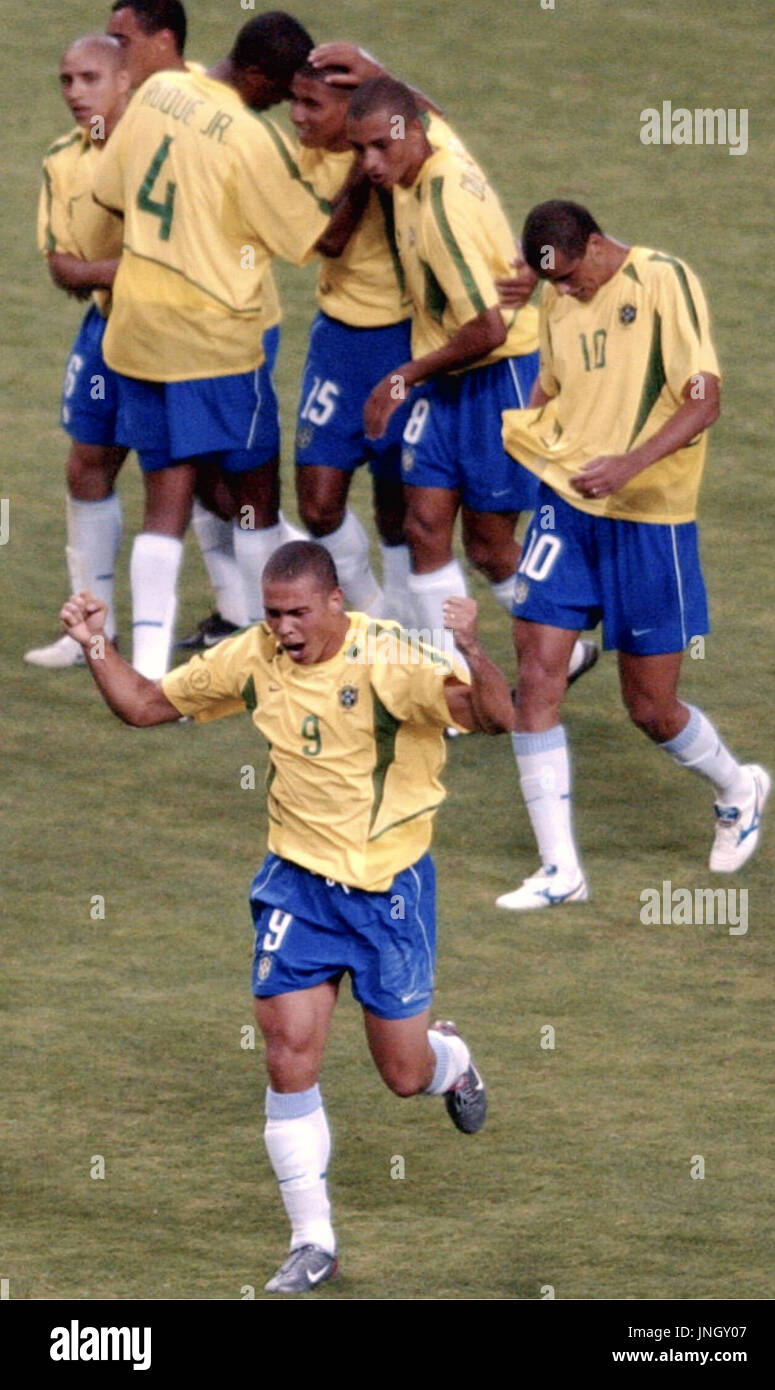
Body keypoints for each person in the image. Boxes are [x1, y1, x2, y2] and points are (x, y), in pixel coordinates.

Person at [59, 540, 514, 1293]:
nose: (284, 629)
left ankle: (451, 1062)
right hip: (296, 889)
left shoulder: (389, 663)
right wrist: (96, 644)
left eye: (297, 612)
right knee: (285, 1054)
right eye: (272, 614)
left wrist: (472, 649)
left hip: (385, 895)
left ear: (336, 602)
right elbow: (144, 706)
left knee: (402, 1075)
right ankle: (313, 1242)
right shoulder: (254, 656)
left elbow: (496, 718)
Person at [495, 200, 770, 909]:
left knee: (649, 708)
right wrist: (537, 440)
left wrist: (627, 465)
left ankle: (738, 789)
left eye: (571, 277)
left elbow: (702, 401)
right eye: (550, 282)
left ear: (593, 244)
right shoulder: (558, 298)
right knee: (535, 675)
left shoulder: (661, 281)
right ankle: (561, 869)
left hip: (650, 518)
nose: (566, 293)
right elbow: (550, 386)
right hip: (568, 510)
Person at [89, 13, 367, 679]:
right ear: (254, 76)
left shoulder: (157, 90)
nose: (285, 107)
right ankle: (263, 640)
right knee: (254, 497)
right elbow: (321, 240)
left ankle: (151, 678)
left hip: (136, 331)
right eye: (280, 90)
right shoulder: (248, 137)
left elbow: (109, 192)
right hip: (213, 342)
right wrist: (362, 164)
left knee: (164, 501)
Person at [345, 78, 596, 685]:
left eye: (379, 146)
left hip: (498, 377)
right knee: (424, 525)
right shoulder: (426, 149)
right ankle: (449, 682)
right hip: (450, 378)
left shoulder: (441, 210)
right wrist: (368, 64)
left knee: (488, 545)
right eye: (359, 150)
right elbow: (431, 106)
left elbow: (485, 329)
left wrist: (401, 378)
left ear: (409, 135)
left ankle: (567, 640)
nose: (369, 164)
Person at [288, 53, 474, 627]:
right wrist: (365, 168)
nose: (296, 116)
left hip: (402, 342)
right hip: (337, 343)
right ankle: (374, 606)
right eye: (293, 100)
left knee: (400, 511)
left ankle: (410, 636)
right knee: (317, 504)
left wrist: (378, 73)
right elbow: (332, 238)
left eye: (311, 104)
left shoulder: (406, 155)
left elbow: (432, 122)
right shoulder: (304, 161)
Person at [25, 36, 131, 670]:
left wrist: (102, 269)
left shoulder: (154, 145)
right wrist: (131, 270)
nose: (75, 92)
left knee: (219, 486)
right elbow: (62, 267)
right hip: (105, 328)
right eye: (66, 79)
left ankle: (247, 617)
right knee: (86, 464)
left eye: (90, 77)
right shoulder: (62, 159)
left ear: (124, 79)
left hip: (177, 334)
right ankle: (93, 627)